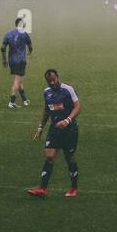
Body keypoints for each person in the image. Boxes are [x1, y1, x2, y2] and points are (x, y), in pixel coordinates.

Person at [27, 69, 81, 198]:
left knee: (69, 158)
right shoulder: (47, 93)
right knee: (49, 156)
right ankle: (42, 189)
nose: (51, 82)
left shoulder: (67, 89)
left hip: (70, 130)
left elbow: (78, 106)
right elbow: (47, 110)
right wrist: (41, 127)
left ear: (58, 77)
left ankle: (74, 188)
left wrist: (67, 120)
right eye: (49, 81)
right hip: (55, 129)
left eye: (53, 80)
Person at [1, 18, 33, 108]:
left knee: (19, 80)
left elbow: (3, 48)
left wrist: (4, 60)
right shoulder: (25, 34)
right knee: (17, 81)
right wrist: (30, 52)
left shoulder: (9, 34)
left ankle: (25, 100)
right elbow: (30, 46)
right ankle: (12, 102)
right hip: (20, 60)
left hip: (11, 60)